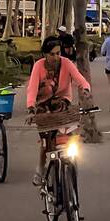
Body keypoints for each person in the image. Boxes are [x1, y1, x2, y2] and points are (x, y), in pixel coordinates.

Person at [26, 35, 91, 185]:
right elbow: (32, 89)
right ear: (44, 54)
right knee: (46, 143)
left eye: (58, 53)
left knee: (71, 136)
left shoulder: (66, 63)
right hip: (43, 107)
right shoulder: (38, 66)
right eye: (52, 54)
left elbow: (80, 80)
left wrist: (86, 90)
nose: (55, 57)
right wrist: (31, 108)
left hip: (63, 104)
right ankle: (41, 168)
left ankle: (70, 166)